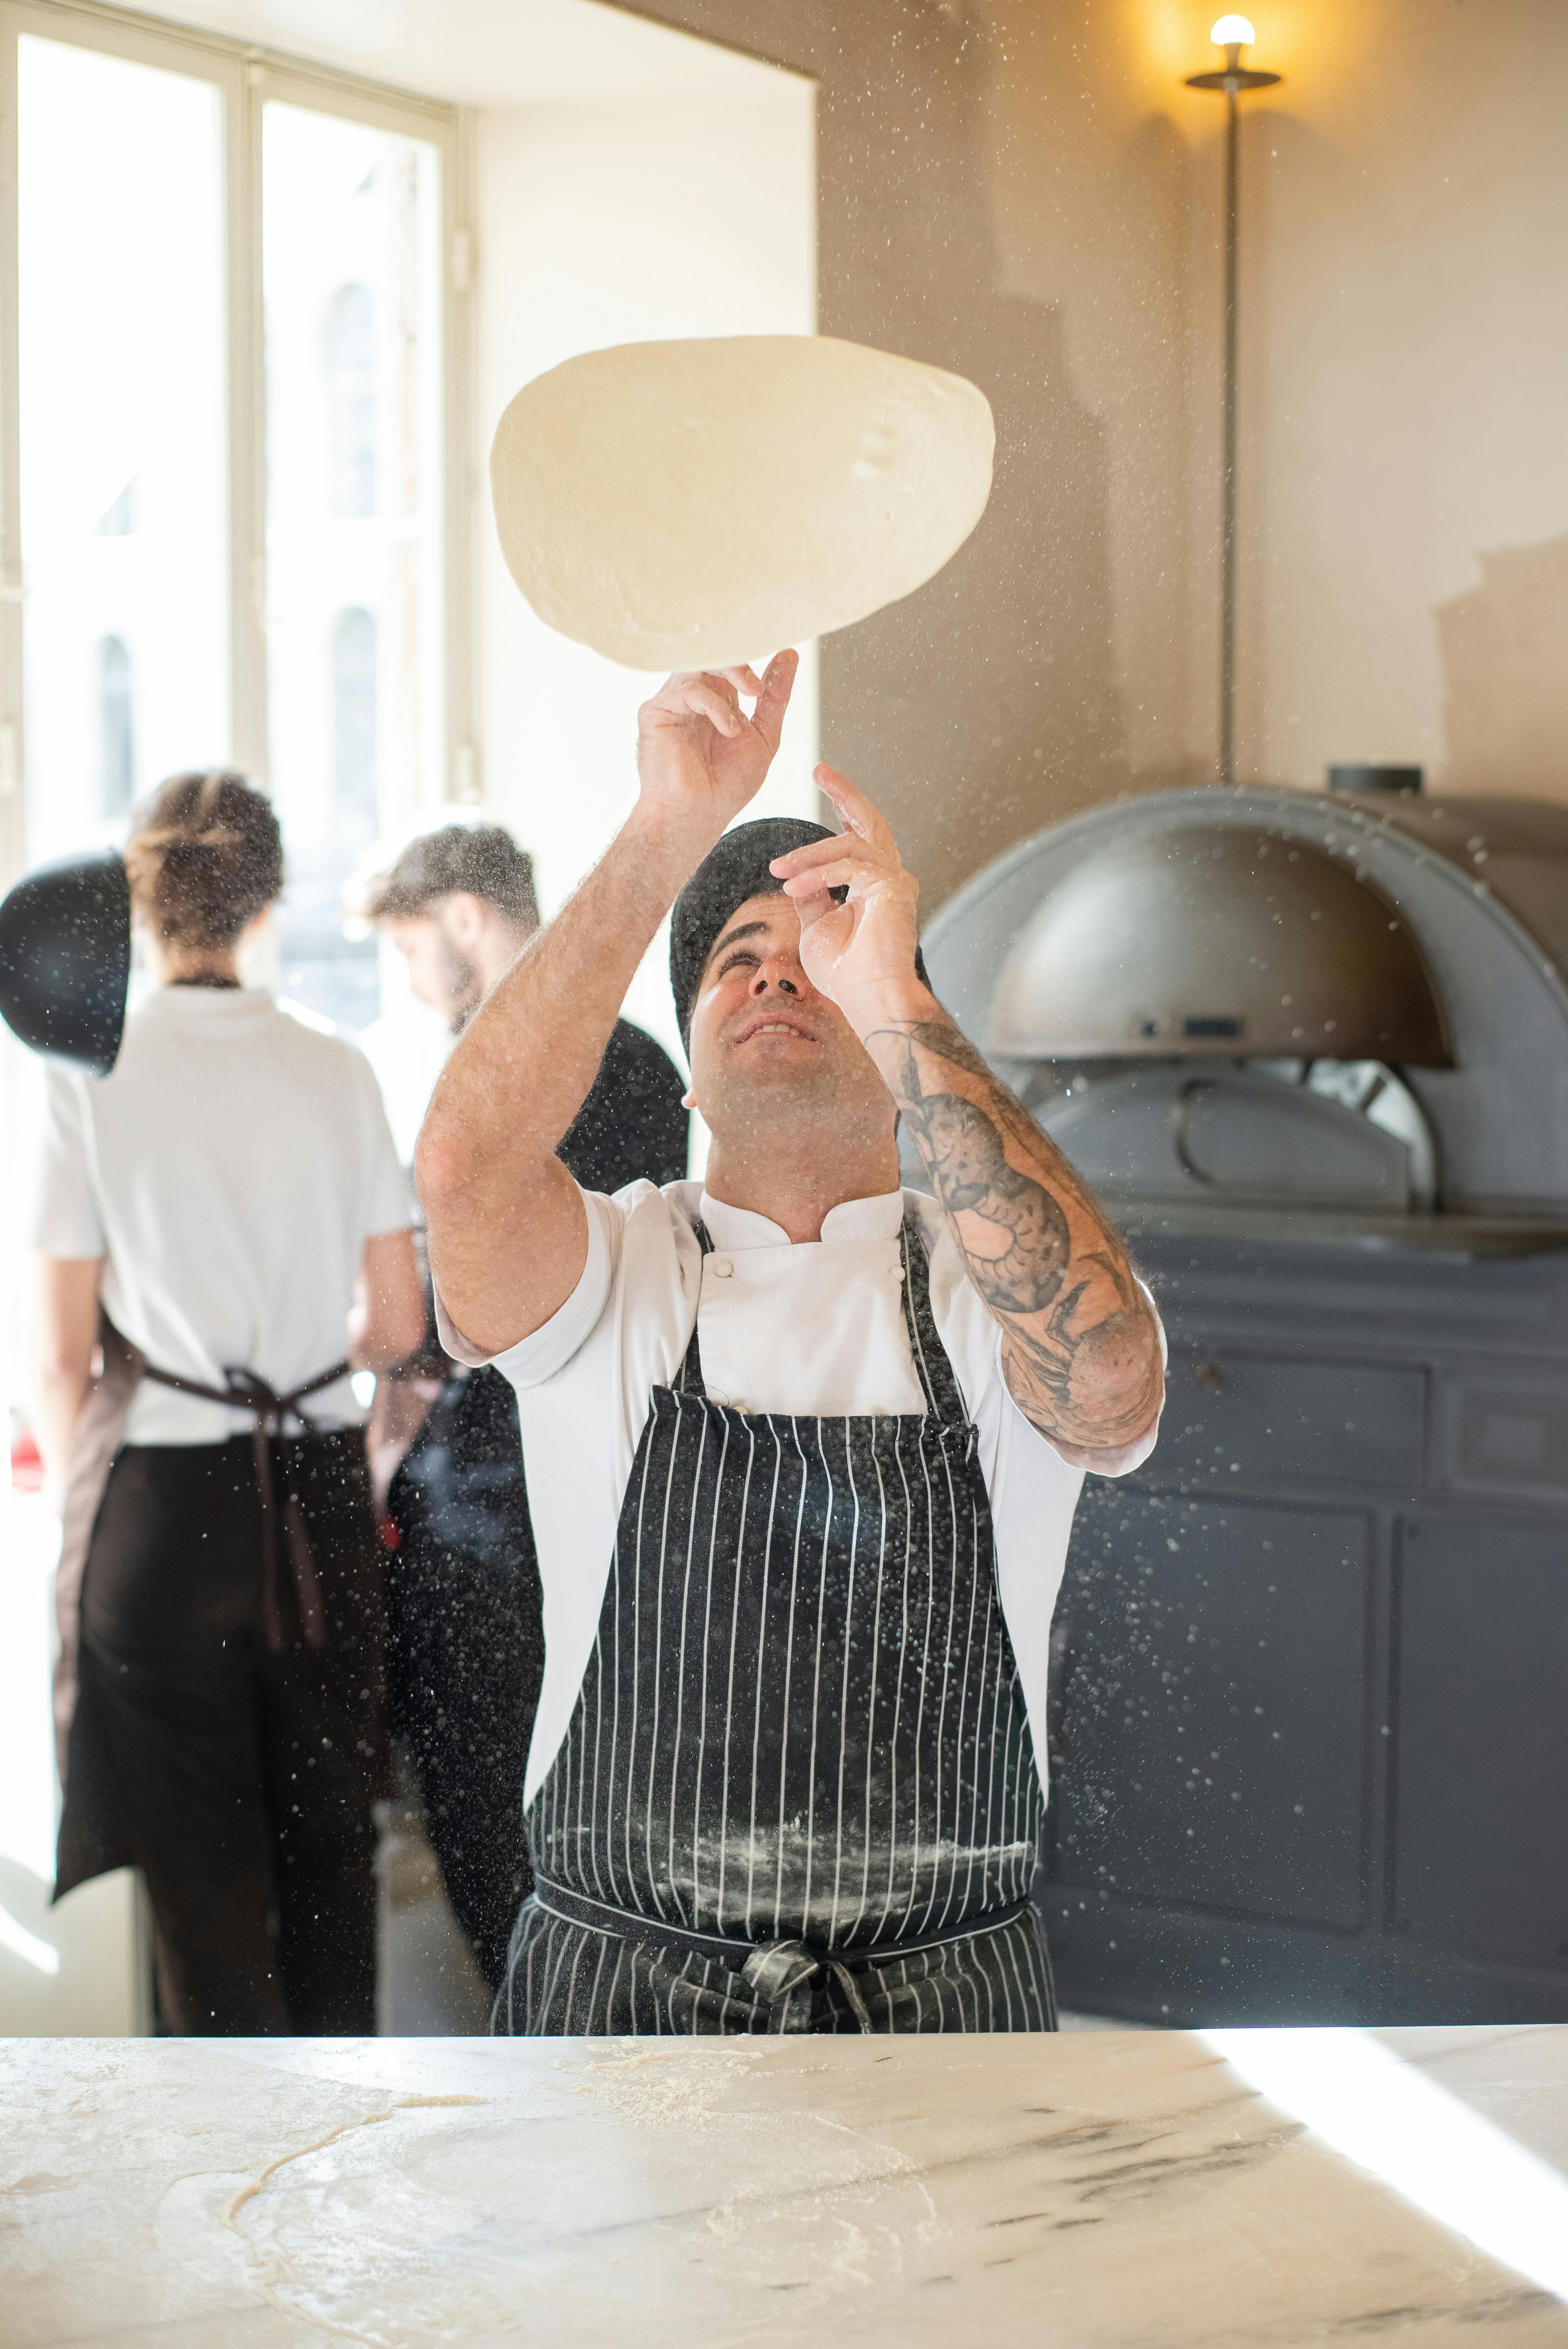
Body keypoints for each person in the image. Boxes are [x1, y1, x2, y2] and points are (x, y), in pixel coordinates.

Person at [416, 651, 1166, 2036]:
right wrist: (661, 836)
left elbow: (1111, 1394)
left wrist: (893, 987)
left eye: (814, 956)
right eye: (735, 960)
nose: (774, 976)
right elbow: (461, 1170)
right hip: (622, 2007)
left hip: (942, 2014)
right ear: (691, 1066)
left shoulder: (987, 1288)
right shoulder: (614, 1270)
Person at [27, 770, 426, 2035]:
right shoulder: (337, 1067)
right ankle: (343, 2193)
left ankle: (221, 2215)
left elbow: (56, 1356)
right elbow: (398, 1326)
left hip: (160, 1503)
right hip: (311, 1494)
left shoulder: (84, 1072)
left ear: (142, 902)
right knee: (329, 1859)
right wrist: (309, 1361)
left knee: (203, 1890)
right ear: (270, 897)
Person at [355, 821, 688, 1991]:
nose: (407, 982)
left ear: (460, 916)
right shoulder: (646, 1058)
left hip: (496, 1513)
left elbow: (453, 1314)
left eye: (407, 947)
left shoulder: (497, 1075)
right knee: (595, 1807)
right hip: (624, 1494)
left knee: (490, 1808)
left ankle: (533, 2037)